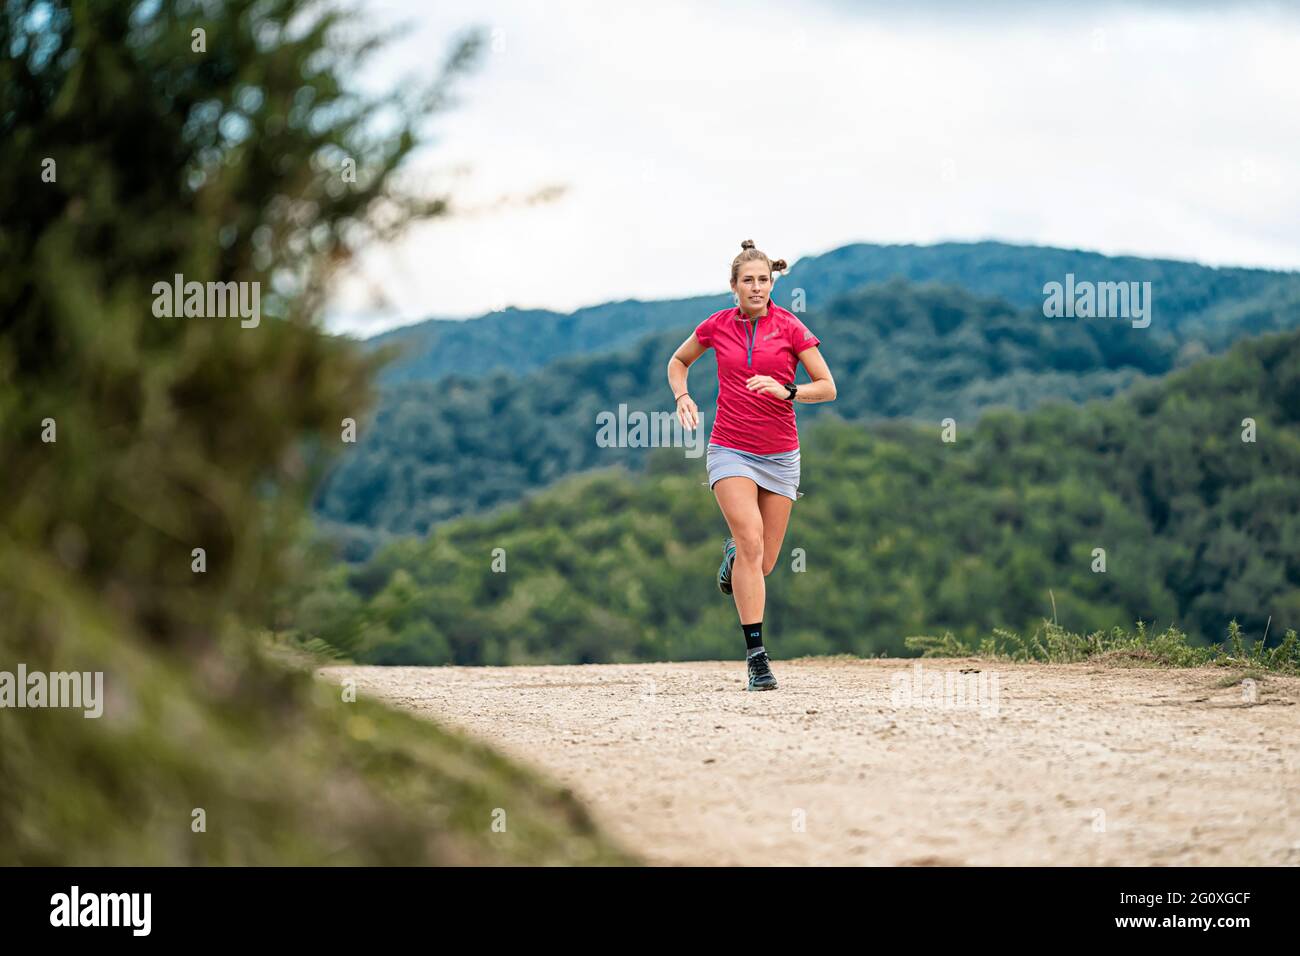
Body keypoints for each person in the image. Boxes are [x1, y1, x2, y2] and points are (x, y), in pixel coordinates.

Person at [666, 240, 837, 691]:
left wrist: (789, 391)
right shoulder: (716, 326)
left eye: (764, 280)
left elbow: (827, 386)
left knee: (761, 562)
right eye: (749, 281)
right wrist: (683, 395)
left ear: (771, 283)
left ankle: (732, 559)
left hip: (781, 456)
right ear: (734, 286)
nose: (757, 287)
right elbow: (678, 361)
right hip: (730, 449)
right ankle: (757, 658)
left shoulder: (791, 327)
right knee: (751, 540)